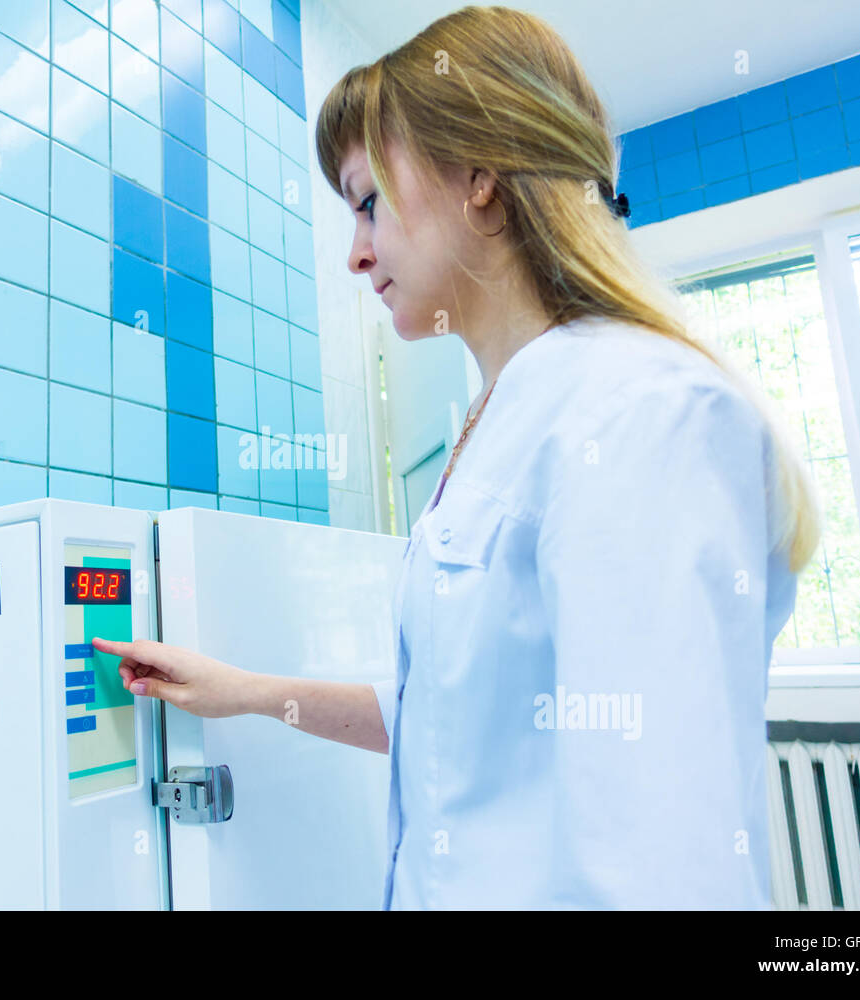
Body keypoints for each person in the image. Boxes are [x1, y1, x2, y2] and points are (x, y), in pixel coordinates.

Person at [92, 4, 821, 909]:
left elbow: (663, 862)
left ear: (478, 174)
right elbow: (460, 719)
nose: (356, 255)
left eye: (366, 202)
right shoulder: (502, 419)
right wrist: (244, 692)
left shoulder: (636, 414)